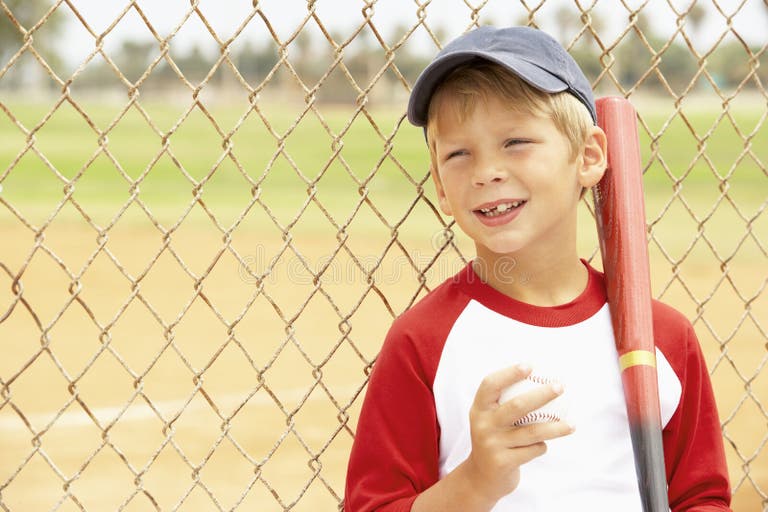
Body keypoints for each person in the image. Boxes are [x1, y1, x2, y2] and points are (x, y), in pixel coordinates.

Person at [344, 25, 731, 511]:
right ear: (440, 187)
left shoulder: (663, 339)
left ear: (588, 157)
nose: (486, 172)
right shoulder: (423, 343)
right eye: (458, 154)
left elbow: (702, 496)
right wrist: (475, 482)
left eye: (516, 142)